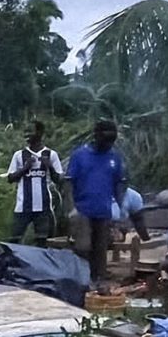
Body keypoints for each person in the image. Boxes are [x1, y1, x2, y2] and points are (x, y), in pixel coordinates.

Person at [66, 120, 127, 284]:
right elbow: (69, 182)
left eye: (112, 141)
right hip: (82, 210)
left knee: (101, 251)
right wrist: (72, 208)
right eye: (106, 140)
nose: (109, 144)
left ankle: (99, 283)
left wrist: (119, 209)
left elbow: (119, 183)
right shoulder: (79, 155)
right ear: (96, 136)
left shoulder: (114, 157)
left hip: (104, 211)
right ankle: (81, 283)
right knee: (83, 248)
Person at [6, 120, 63, 247]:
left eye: (30, 131)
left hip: (43, 207)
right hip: (22, 207)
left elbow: (59, 180)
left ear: (40, 132)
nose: (26, 134)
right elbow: (10, 178)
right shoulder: (19, 155)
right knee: (14, 240)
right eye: (25, 131)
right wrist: (25, 168)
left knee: (42, 242)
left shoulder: (51, 154)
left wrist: (50, 167)